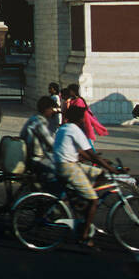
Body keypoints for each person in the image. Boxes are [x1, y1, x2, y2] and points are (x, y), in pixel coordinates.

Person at [51, 104, 111, 245]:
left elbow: (82, 153)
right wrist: (111, 168)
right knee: (94, 200)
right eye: (83, 118)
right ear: (79, 119)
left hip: (66, 164)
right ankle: (84, 235)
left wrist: (103, 163)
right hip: (69, 167)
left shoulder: (64, 128)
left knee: (100, 173)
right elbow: (91, 154)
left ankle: (82, 199)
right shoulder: (75, 130)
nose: (85, 121)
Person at [15, 96, 60, 191]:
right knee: (59, 171)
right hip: (36, 159)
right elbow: (50, 142)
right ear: (46, 109)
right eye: (51, 109)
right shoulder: (40, 122)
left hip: (28, 156)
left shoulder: (33, 119)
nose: (52, 111)